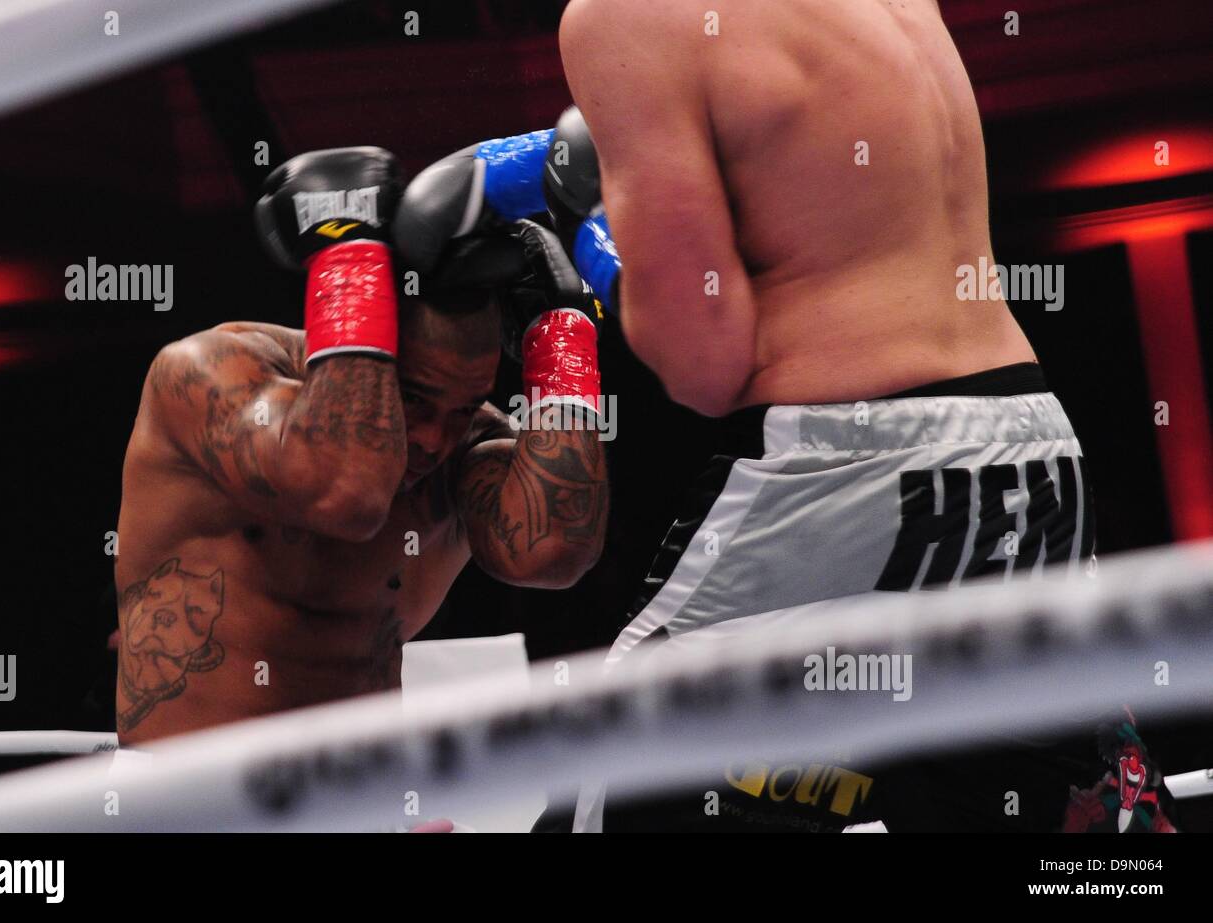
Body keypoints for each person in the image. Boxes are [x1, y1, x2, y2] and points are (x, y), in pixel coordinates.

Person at [397, 0, 1174, 831]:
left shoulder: (619, 16)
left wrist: (584, 245)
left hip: (848, 469)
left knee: (612, 787)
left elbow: (706, 362)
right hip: (1032, 450)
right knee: (1074, 830)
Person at [114, 146, 607, 745]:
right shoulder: (208, 376)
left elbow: (553, 551)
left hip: (365, 805)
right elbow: (346, 489)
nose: (434, 438)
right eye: (413, 399)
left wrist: (561, 338)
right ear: (365, 355)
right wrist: (349, 259)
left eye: (461, 407)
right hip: (195, 807)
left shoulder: (468, 441)